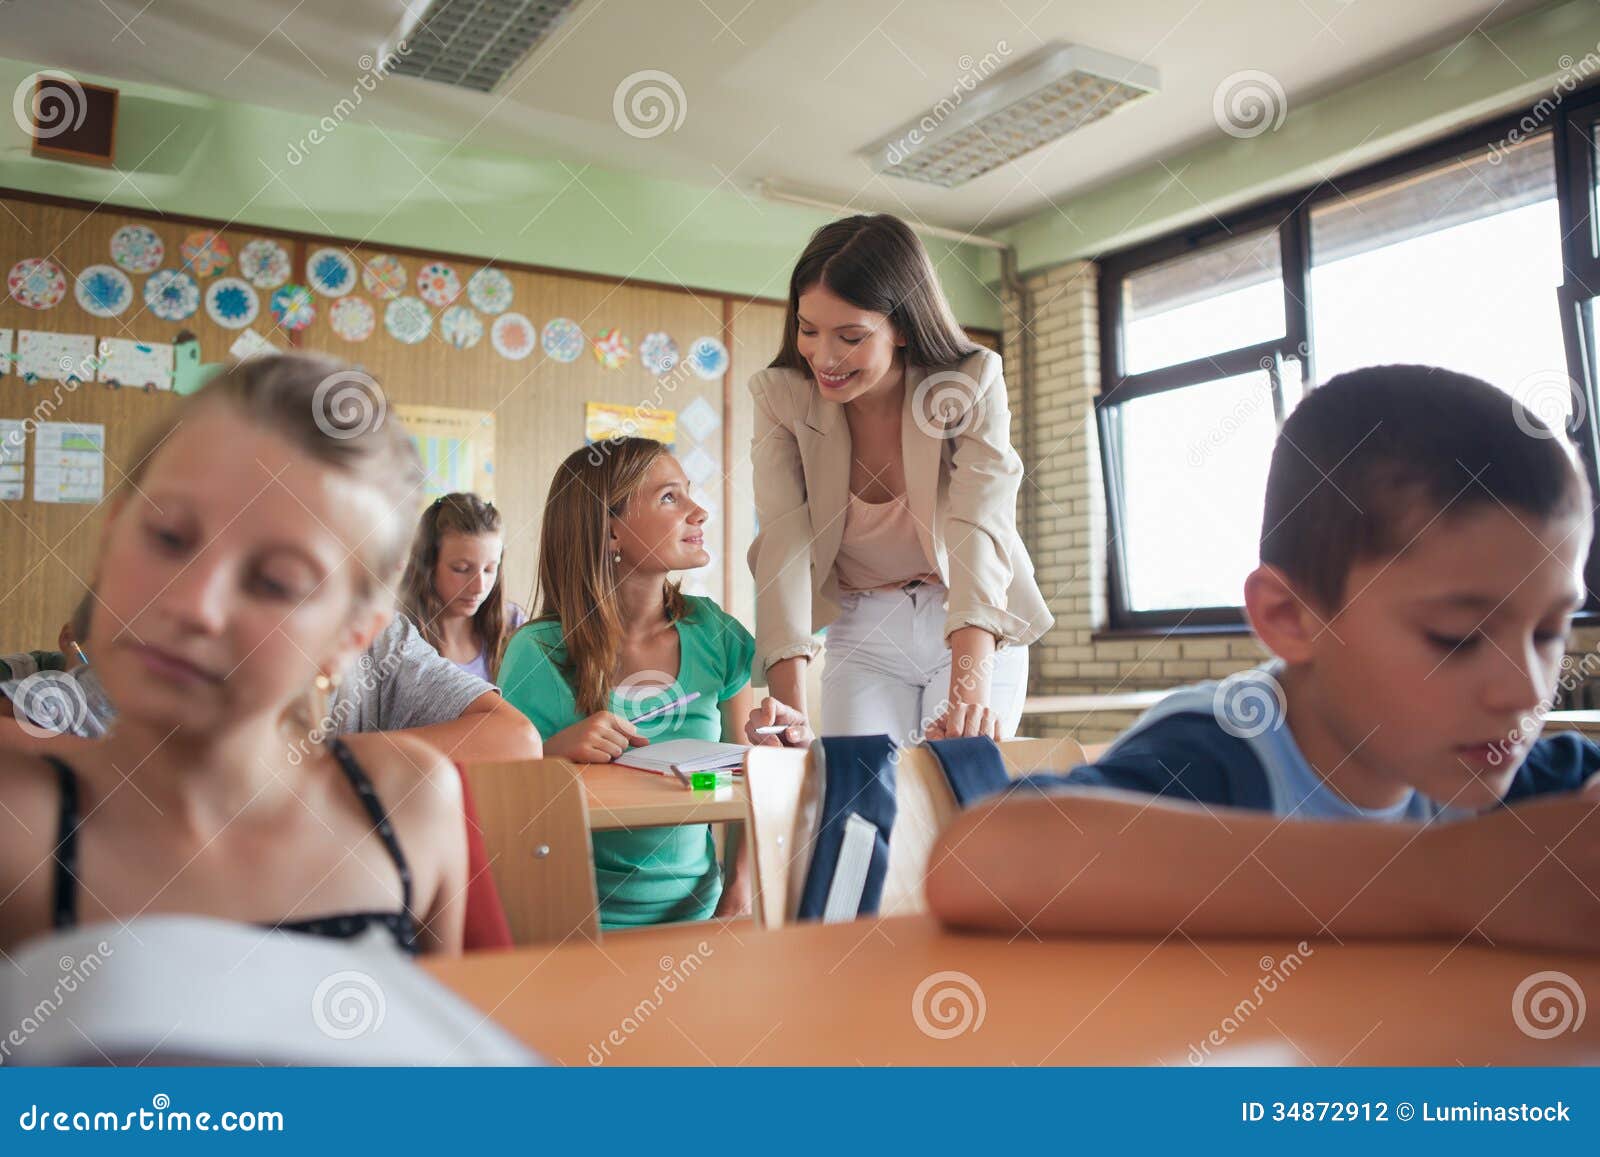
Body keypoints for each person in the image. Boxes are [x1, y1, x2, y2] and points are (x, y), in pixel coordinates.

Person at [927, 365, 1600, 954]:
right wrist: (1457, 877)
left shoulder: (1512, 774)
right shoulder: (1225, 753)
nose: (1524, 689)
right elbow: (983, 859)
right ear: (1290, 617)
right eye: (1455, 636)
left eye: (1548, 631)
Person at [0, 353, 469, 954]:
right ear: (111, 533)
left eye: (275, 582)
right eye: (168, 537)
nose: (197, 605)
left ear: (353, 634)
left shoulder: (408, 807)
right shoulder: (17, 829)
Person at [748, 213, 1052, 746]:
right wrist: (788, 712)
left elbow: (977, 527)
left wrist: (968, 697)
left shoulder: (969, 381)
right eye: (808, 329)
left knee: (952, 791)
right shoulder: (782, 397)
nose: (824, 356)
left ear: (904, 327)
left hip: (969, 618)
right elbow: (784, 543)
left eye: (850, 336)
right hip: (863, 624)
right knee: (857, 802)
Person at [500, 439, 797, 927]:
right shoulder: (536, 652)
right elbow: (501, 806)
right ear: (611, 532)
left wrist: (739, 890)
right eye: (669, 498)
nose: (698, 512)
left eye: (689, 494)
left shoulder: (715, 635)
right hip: (569, 916)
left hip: (701, 912)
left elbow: (747, 773)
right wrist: (555, 752)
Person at [400, 492, 527, 682]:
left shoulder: (513, 624)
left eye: (490, 569)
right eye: (461, 569)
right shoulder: (399, 636)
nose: (479, 587)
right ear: (428, 564)